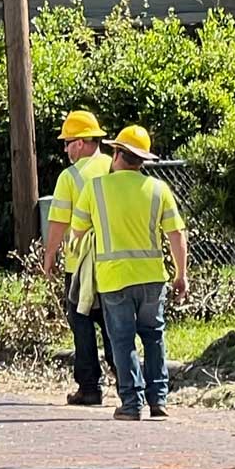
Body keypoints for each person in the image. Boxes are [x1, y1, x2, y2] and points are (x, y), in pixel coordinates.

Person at [73, 125, 189, 420]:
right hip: (153, 278)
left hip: (114, 279)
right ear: (142, 160)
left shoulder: (96, 188)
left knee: (122, 341)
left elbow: (77, 230)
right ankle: (158, 400)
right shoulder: (158, 190)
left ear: (116, 154)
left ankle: (132, 403)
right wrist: (181, 275)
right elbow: (176, 234)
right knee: (154, 337)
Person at [39, 110, 115, 405]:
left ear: (82, 142)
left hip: (80, 265)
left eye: (68, 141)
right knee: (113, 325)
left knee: (81, 322)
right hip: (112, 263)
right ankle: (127, 384)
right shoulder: (115, 167)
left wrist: (49, 256)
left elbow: (58, 222)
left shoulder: (69, 177)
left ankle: (89, 387)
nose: (66, 148)